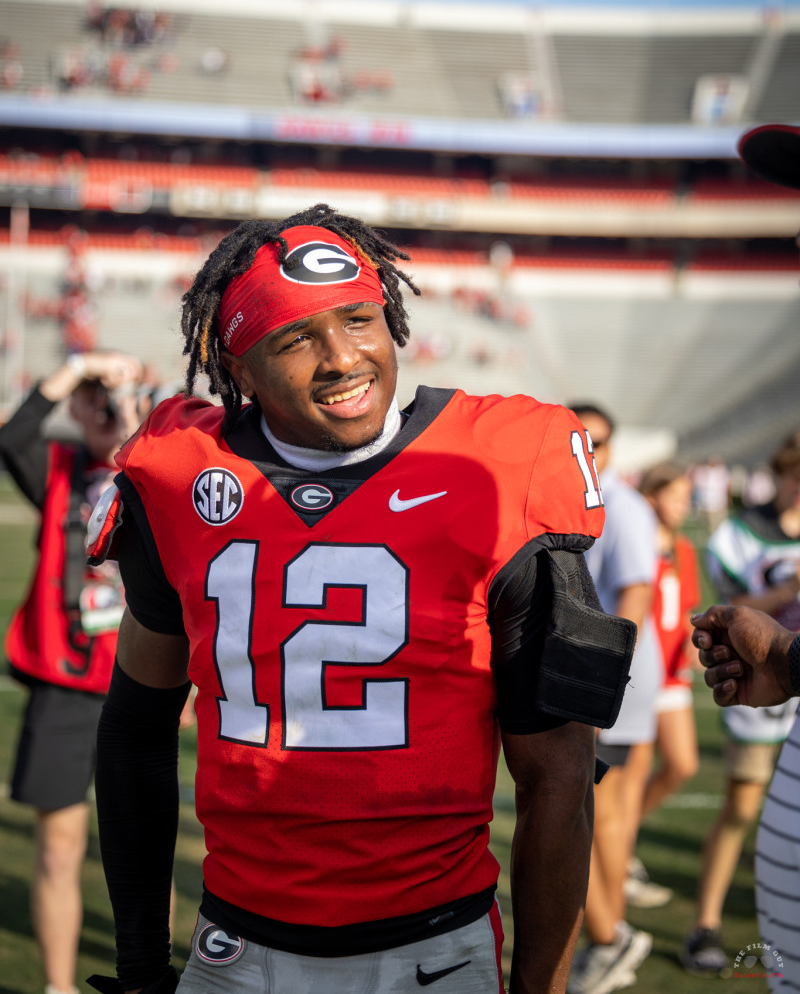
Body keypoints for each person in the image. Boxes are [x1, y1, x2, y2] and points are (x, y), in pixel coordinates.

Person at [85, 204, 635, 994]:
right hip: (234, 948)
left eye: (359, 319)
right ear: (238, 369)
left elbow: (559, 774)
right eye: (295, 337)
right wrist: (140, 964)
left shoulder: (499, 470)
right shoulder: (178, 473)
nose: (342, 358)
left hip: (434, 954)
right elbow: (136, 726)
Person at [0, 350, 145, 994]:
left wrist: (136, 416)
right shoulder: (58, 470)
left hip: (141, 687)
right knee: (59, 848)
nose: (101, 409)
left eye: (106, 399)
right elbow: (13, 437)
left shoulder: (159, 473)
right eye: (90, 400)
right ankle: (60, 988)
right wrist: (74, 369)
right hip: (65, 684)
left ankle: (147, 979)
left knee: (144, 857)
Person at [681, 429, 800, 975]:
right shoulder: (740, 533)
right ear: (779, 473)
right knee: (743, 808)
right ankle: (705, 921)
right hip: (765, 686)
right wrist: (787, 590)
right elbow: (731, 610)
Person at [565, 406, 659, 994]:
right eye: (576, 441)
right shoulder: (589, 499)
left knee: (585, 823)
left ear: (613, 448)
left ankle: (608, 938)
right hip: (606, 682)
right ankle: (611, 931)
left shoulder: (621, 505)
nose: (587, 452)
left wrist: (600, 683)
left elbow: (637, 594)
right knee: (605, 821)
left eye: (595, 442)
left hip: (607, 686)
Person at [623, 463, 700, 909]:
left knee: (683, 764)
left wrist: (692, 642)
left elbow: (684, 608)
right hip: (637, 673)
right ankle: (620, 853)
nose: (682, 506)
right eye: (675, 496)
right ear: (650, 498)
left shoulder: (684, 548)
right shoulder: (636, 544)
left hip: (673, 672)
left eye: (686, 498)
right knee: (630, 775)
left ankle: (621, 836)